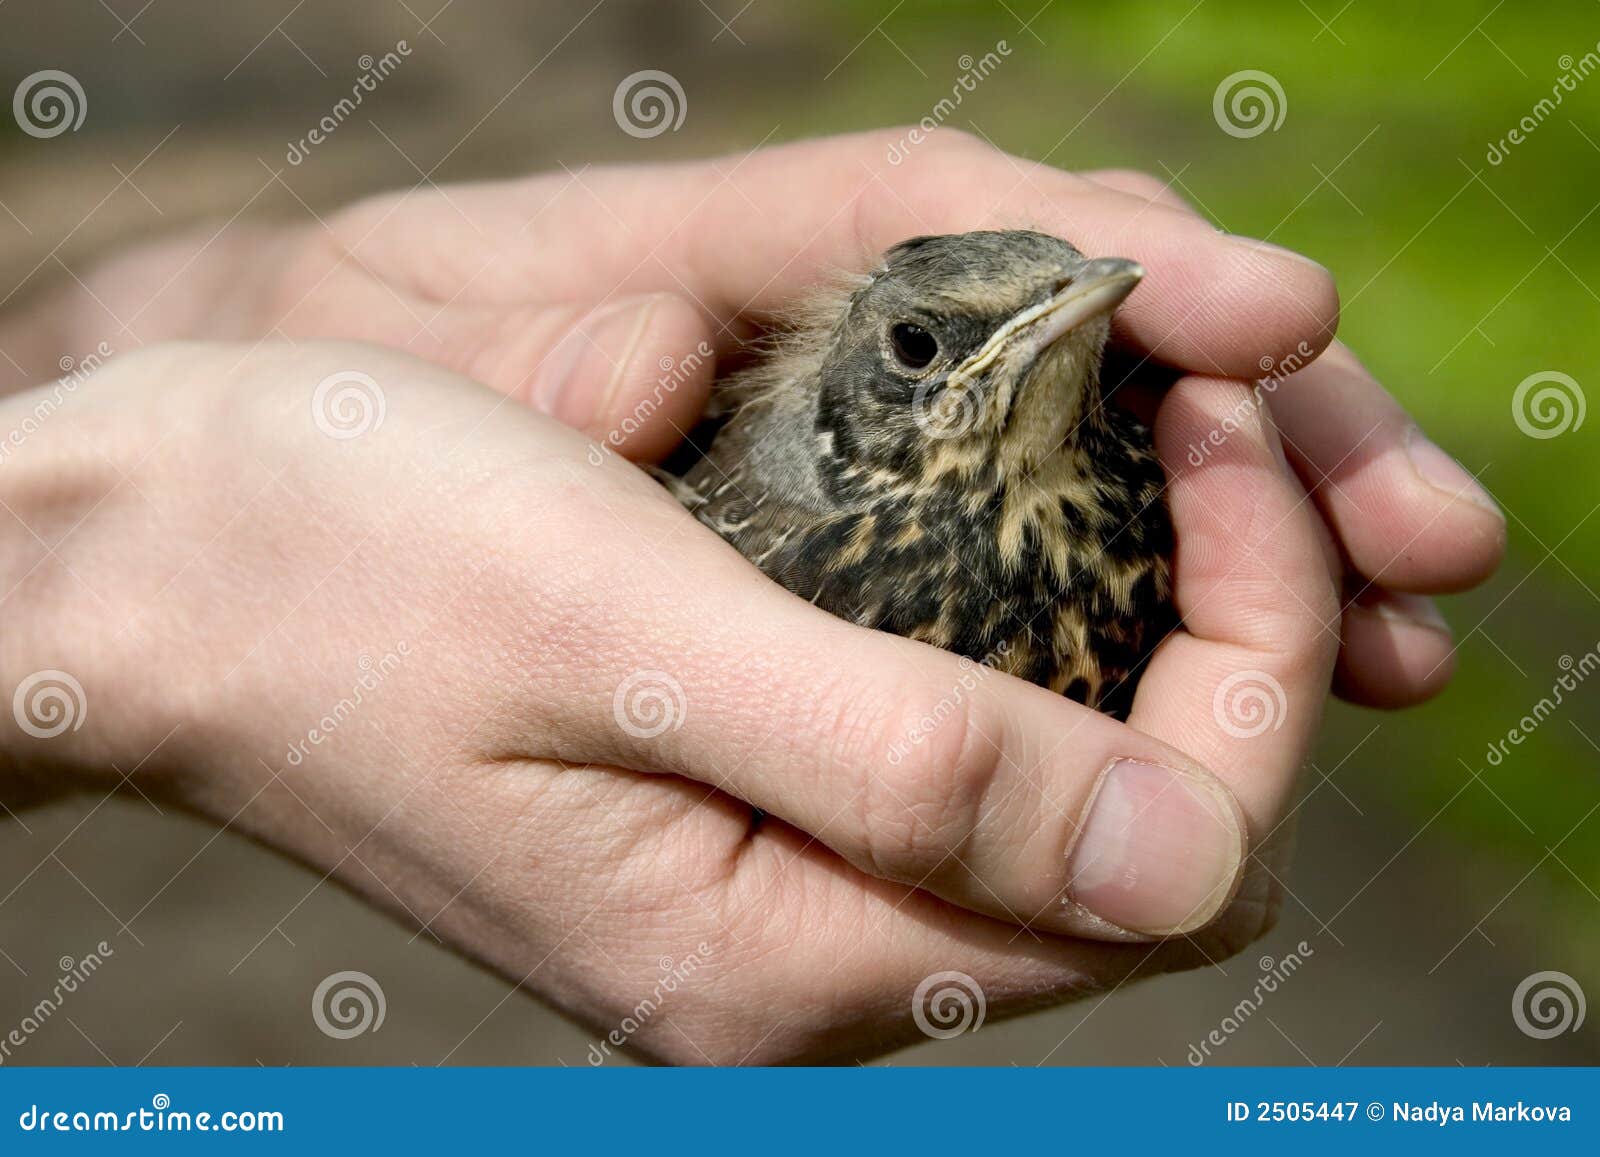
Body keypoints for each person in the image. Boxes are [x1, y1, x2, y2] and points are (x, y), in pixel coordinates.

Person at [0, 131, 1503, 1063]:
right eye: (925, 348)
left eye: (1060, 308)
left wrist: (193, 337)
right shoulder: (762, 534)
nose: (1063, 330)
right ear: (858, 390)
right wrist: (122, 567)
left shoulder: (1138, 463)